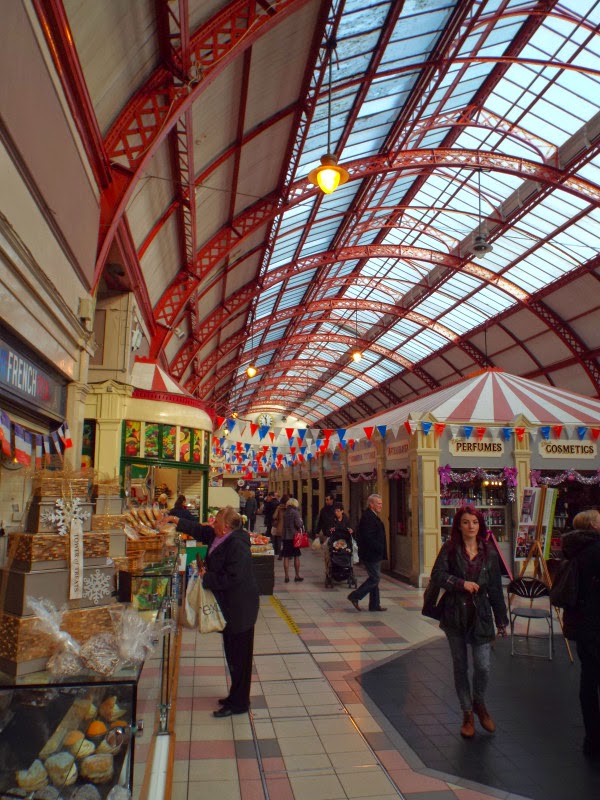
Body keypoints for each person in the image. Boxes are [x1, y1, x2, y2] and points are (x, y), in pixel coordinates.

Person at [165, 506, 259, 717]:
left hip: (240, 608)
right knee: (232, 654)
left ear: (225, 527)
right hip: (229, 608)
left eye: (216, 522)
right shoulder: (220, 536)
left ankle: (239, 703)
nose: (212, 524)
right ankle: (235, 696)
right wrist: (174, 520)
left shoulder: (237, 545)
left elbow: (234, 578)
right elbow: (200, 530)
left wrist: (207, 577)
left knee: (240, 658)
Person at [428, 505, 508, 739]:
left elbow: (494, 588)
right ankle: (467, 713)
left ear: (480, 525)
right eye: (466, 522)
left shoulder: (489, 552)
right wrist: (461, 584)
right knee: (460, 665)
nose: (471, 526)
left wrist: (501, 619)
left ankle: (479, 703)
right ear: (459, 525)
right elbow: (437, 576)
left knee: (483, 665)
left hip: (480, 615)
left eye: (474, 522)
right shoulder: (450, 549)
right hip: (454, 614)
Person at [560, 509, 600, 758]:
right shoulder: (596, 552)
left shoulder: (574, 550)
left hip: (582, 625)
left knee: (589, 680)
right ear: (594, 525)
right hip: (596, 623)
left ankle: (592, 738)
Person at [348, 494, 387, 612]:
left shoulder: (372, 516)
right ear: (371, 504)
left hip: (373, 552)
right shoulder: (368, 517)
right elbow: (368, 537)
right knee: (375, 578)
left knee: (374, 577)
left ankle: (374, 604)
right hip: (371, 553)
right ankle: (355, 596)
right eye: (378, 503)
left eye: (381, 503)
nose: (381, 506)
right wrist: (379, 547)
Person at [282, 497, 304, 583]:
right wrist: (301, 522)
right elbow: (298, 524)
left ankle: (286, 576)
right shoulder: (296, 512)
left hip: (286, 536)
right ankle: (297, 575)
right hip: (294, 537)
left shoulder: (285, 512)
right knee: (296, 556)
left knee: (286, 556)